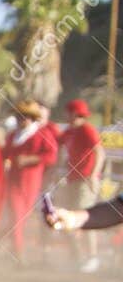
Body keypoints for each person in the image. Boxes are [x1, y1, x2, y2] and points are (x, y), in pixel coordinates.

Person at [2, 100, 59, 262]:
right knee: (16, 216)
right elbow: (4, 153)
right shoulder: (12, 136)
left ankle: (12, 249)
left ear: (32, 118)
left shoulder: (42, 134)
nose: (21, 120)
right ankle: (18, 254)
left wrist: (29, 159)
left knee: (20, 218)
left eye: (25, 117)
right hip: (13, 181)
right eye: (19, 117)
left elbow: (51, 156)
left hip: (31, 182)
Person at [54, 99, 103, 272]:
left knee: (85, 217)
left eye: (68, 112)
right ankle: (76, 256)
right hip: (71, 179)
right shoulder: (69, 132)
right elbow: (59, 146)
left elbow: (99, 152)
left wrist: (93, 175)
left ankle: (92, 256)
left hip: (84, 180)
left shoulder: (86, 130)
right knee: (68, 217)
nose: (65, 115)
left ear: (74, 113)